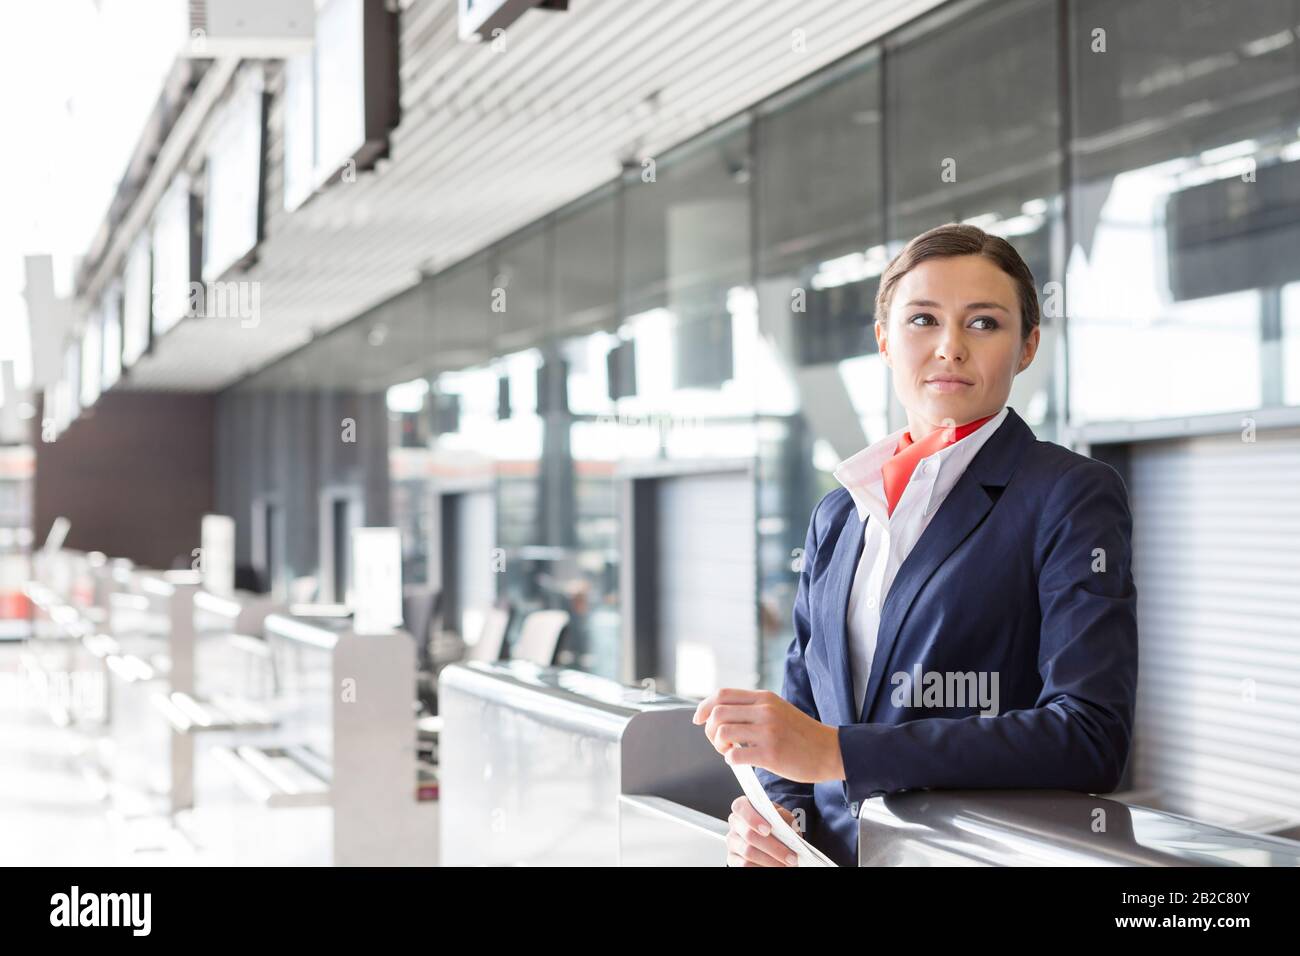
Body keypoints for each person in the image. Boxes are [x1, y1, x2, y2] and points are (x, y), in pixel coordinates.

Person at [694, 222, 1138, 867]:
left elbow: (1091, 734)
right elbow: (806, 704)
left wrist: (839, 752)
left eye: (984, 323)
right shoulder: (841, 512)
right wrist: (779, 811)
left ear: (1027, 346)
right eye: (922, 320)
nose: (950, 348)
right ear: (883, 339)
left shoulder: (1067, 494)